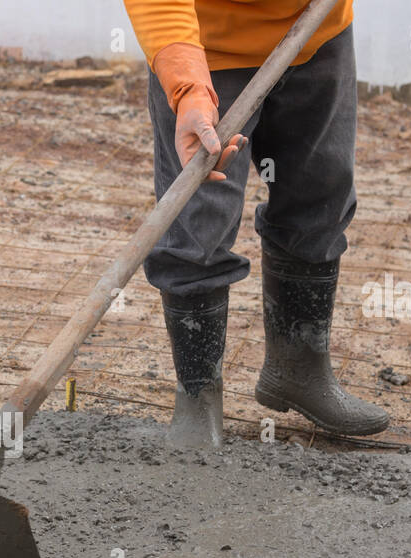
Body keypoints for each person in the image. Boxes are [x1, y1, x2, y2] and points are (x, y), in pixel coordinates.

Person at [124, 0, 389, 447]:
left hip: (315, 33)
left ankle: (299, 370)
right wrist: (188, 89)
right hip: (209, 53)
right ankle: (198, 397)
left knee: (319, 193)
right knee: (198, 221)